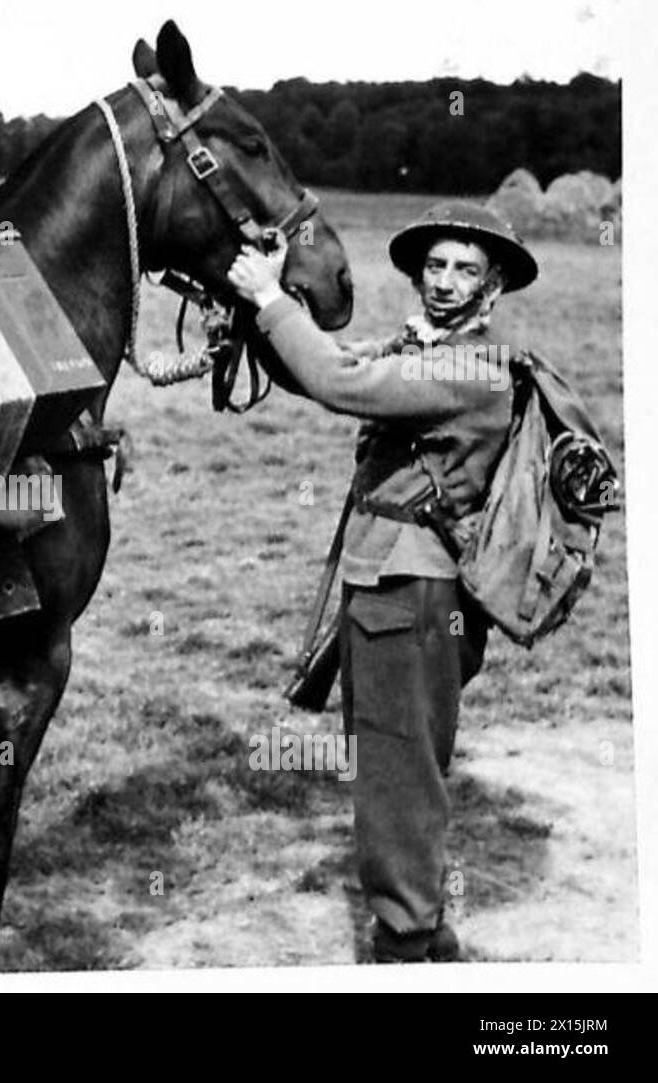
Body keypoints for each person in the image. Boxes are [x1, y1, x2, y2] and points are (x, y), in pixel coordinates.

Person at [226, 202, 539, 962]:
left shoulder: (473, 367)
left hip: (417, 593)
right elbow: (328, 371)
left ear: (493, 286)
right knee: (389, 760)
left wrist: (271, 300)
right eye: (435, 265)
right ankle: (429, 932)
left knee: (396, 772)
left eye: (466, 269)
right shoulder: (422, 349)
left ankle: (405, 941)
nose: (445, 281)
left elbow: (340, 381)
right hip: (387, 584)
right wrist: (256, 311)